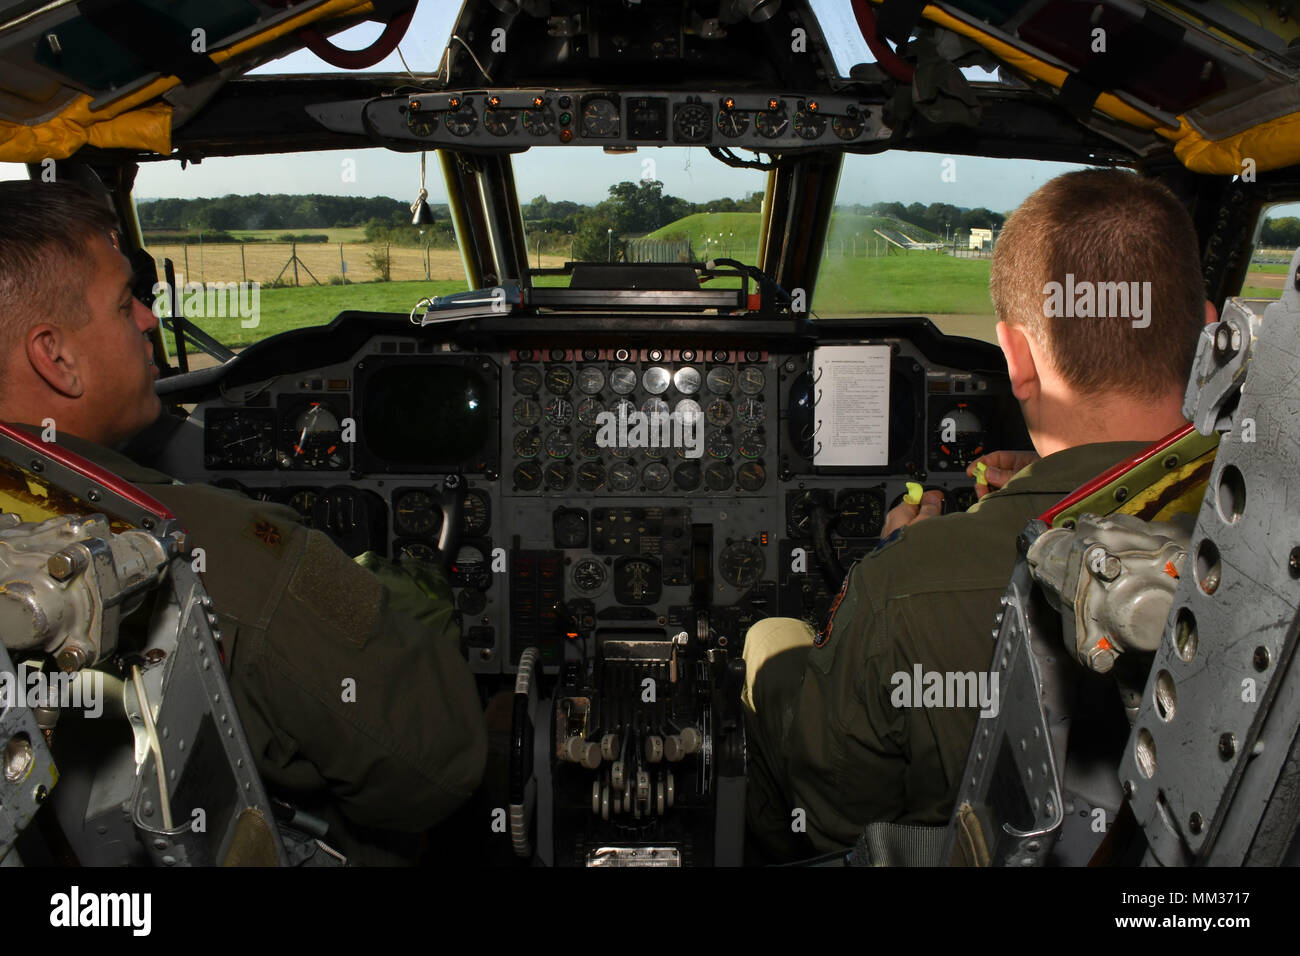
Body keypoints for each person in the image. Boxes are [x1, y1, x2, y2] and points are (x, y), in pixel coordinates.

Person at [0, 179, 487, 862]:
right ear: (55, 357)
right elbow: (436, 766)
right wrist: (405, 594)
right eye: (124, 302)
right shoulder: (201, 546)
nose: (147, 319)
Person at [743, 168, 1215, 860]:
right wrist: (1040, 491)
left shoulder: (907, 584)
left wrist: (894, 562)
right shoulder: (1266, 521)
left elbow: (830, 811)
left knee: (768, 639)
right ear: (1207, 333)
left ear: (1016, 358)